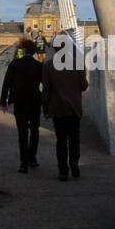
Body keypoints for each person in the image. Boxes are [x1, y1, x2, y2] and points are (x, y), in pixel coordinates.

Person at [42, 31, 89, 181]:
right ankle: (74, 162)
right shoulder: (78, 63)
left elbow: (46, 90)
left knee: (61, 140)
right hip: (74, 107)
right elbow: (84, 86)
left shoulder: (49, 66)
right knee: (74, 137)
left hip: (58, 108)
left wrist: (45, 108)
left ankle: (63, 170)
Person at [0, 38, 43, 173]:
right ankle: (32, 158)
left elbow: (6, 83)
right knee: (34, 130)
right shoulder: (39, 66)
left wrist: (3, 102)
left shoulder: (14, 64)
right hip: (35, 101)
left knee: (22, 132)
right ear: (34, 51)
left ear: (23, 50)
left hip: (19, 101)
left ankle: (23, 164)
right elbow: (46, 85)